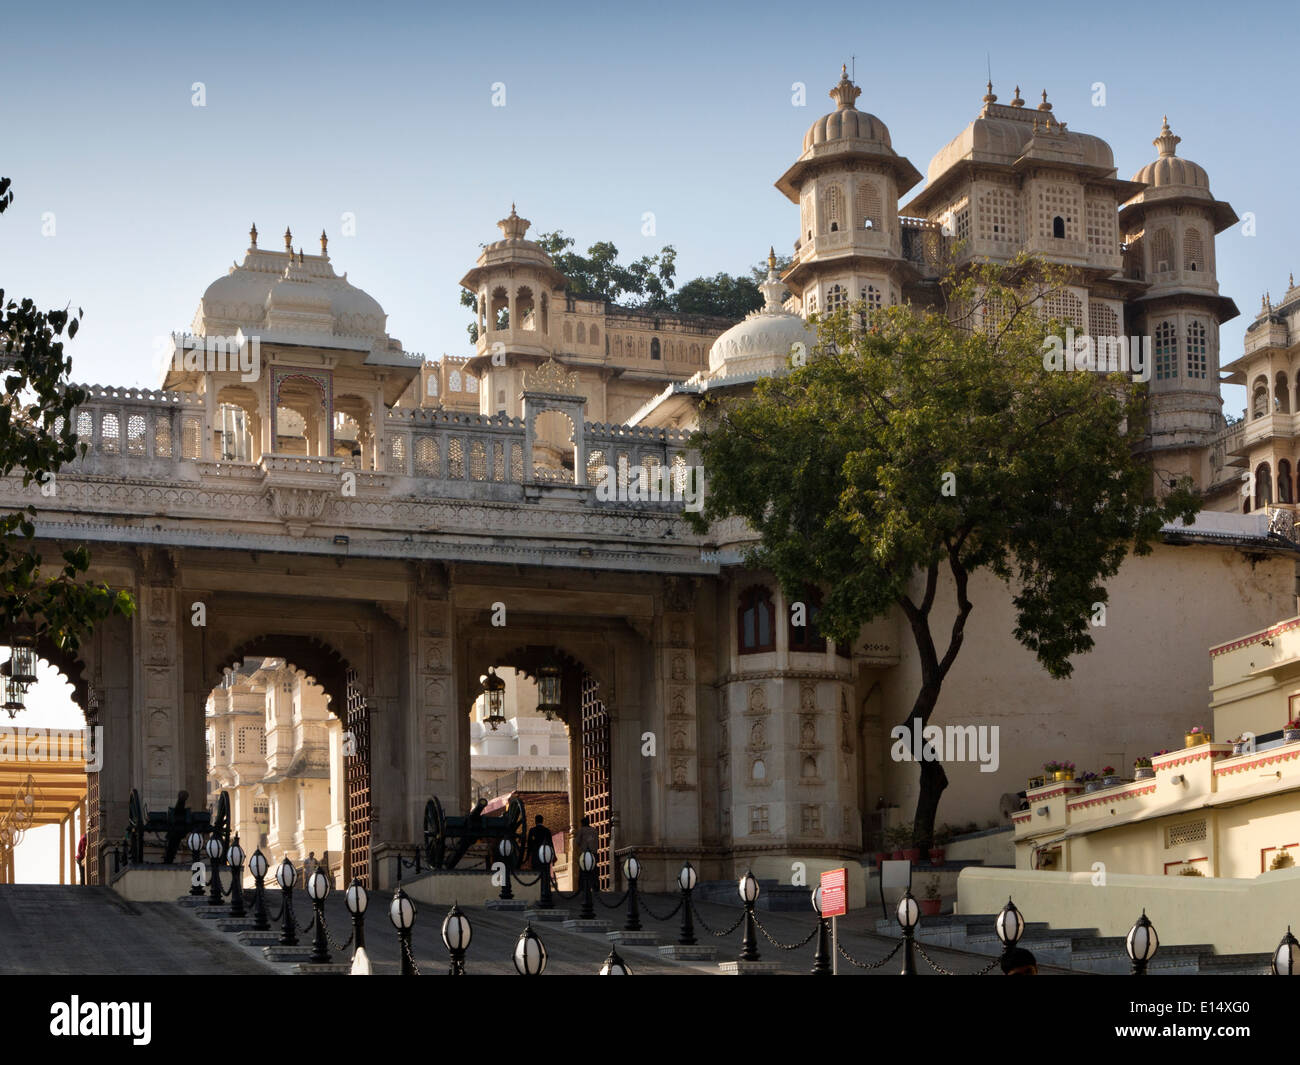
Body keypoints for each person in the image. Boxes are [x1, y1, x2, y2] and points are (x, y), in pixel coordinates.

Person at [162, 790, 189, 864]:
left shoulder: (179, 809)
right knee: (172, 846)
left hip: (176, 830)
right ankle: (168, 858)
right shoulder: (180, 809)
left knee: (172, 846)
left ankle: (168, 858)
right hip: (177, 830)